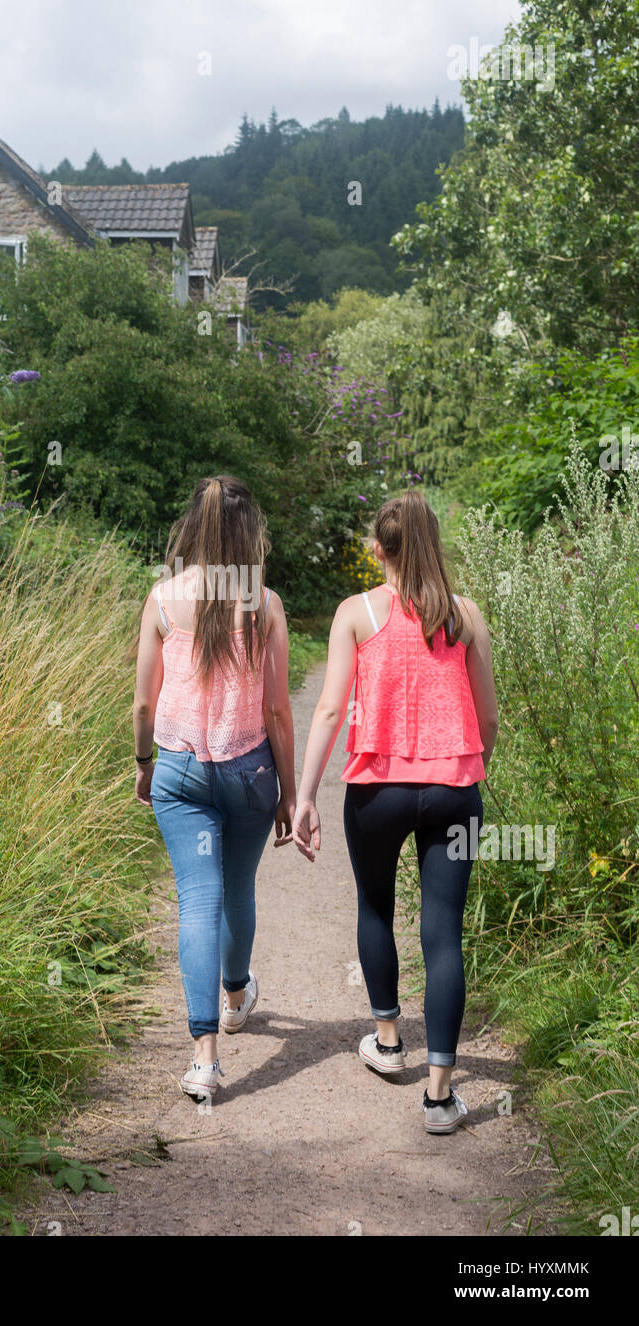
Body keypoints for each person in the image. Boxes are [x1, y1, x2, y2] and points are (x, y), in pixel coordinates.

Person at [292, 490, 498, 1134]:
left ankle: (388, 1043)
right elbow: (488, 718)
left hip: (377, 791)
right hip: (454, 789)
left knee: (375, 905)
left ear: (376, 549)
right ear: (434, 544)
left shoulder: (356, 613)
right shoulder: (466, 616)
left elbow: (328, 710)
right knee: (444, 933)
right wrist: (465, 769)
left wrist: (303, 794)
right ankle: (439, 1098)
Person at [132, 475, 296, 1102]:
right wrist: (287, 791)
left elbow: (144, 703)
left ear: (193, 528)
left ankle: (204, 1058)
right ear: (248, 530)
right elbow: (279, 711)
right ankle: (235, 996)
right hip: (249, 769)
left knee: (196, 901)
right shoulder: (265, 605)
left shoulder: (165, 601)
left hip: (179, 770)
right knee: (236, 889)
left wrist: (144, 763)